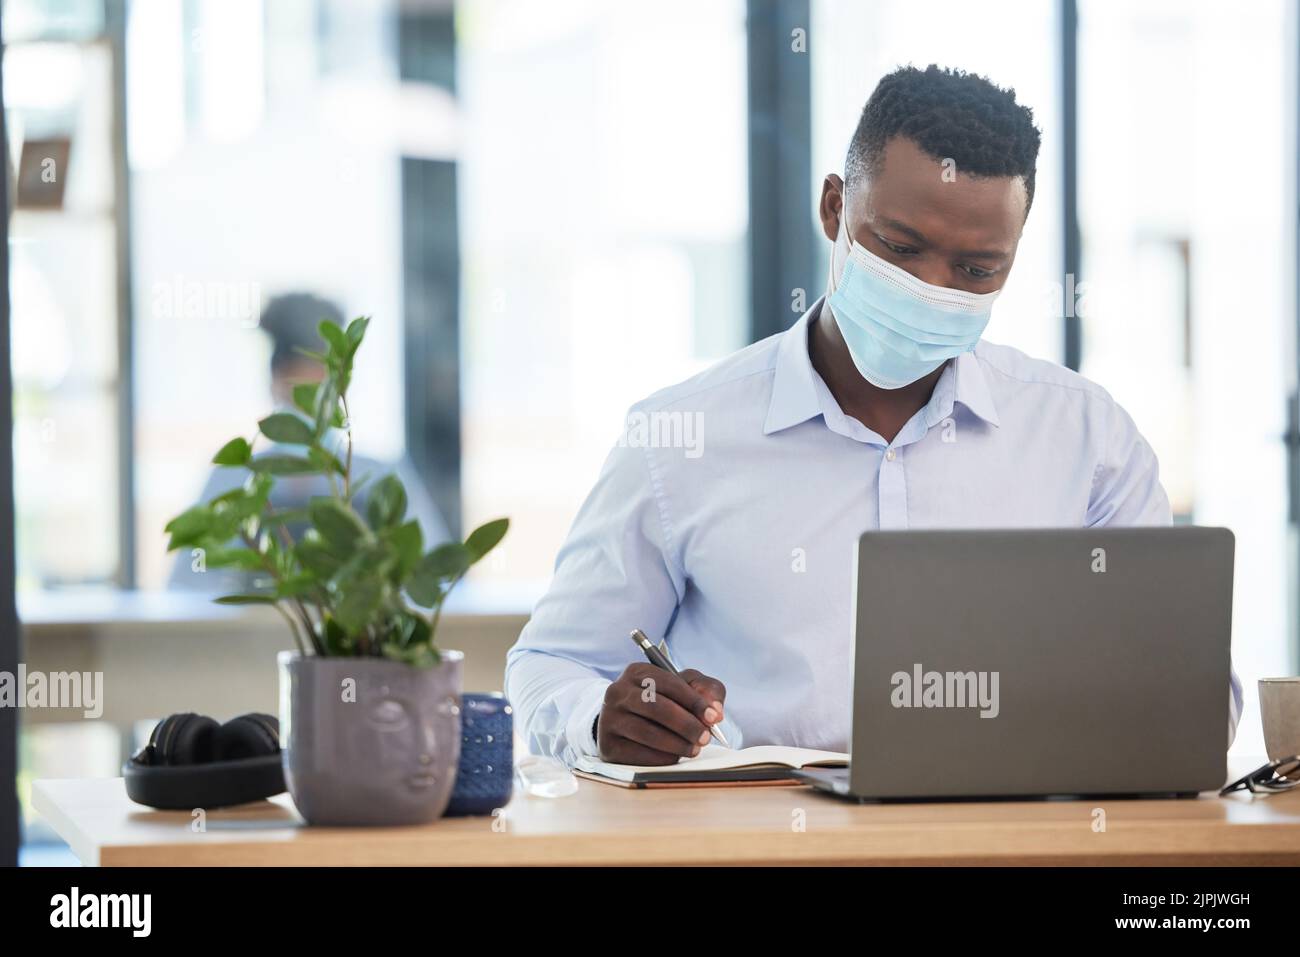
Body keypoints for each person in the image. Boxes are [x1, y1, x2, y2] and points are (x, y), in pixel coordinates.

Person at [505, 64, 1243, 767]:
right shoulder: (679, 440)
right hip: (766, 850)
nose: (930, 287)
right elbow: (550, 663)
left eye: (977, 269)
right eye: (900, 246)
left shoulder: (1086, 439)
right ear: (835, 208)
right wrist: (601, 718)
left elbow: (1194, 696)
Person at [169, 293, 449, 592]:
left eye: (320, 391)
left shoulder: (381, 479)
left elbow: (433, 573)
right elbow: (188, 585)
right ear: (274, 384)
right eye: (297, 392)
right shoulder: (233, 479)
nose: (308, 410)